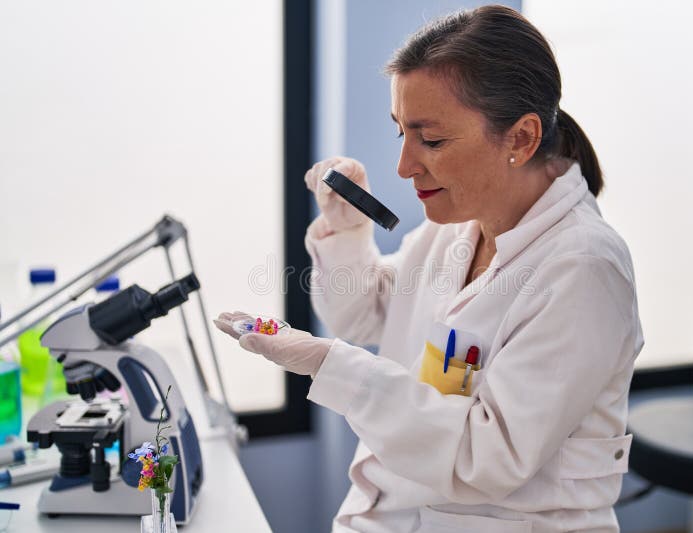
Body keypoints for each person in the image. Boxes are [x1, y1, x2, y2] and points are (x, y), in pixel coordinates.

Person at [215, 5, 643, 532]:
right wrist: (348, 232)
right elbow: (367, 317)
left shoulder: (583, 270)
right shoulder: (458, 226)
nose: (404, 166)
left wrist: (330, 364)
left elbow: (485, 458)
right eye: (401, 133)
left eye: (432, 140)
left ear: (522, 138)